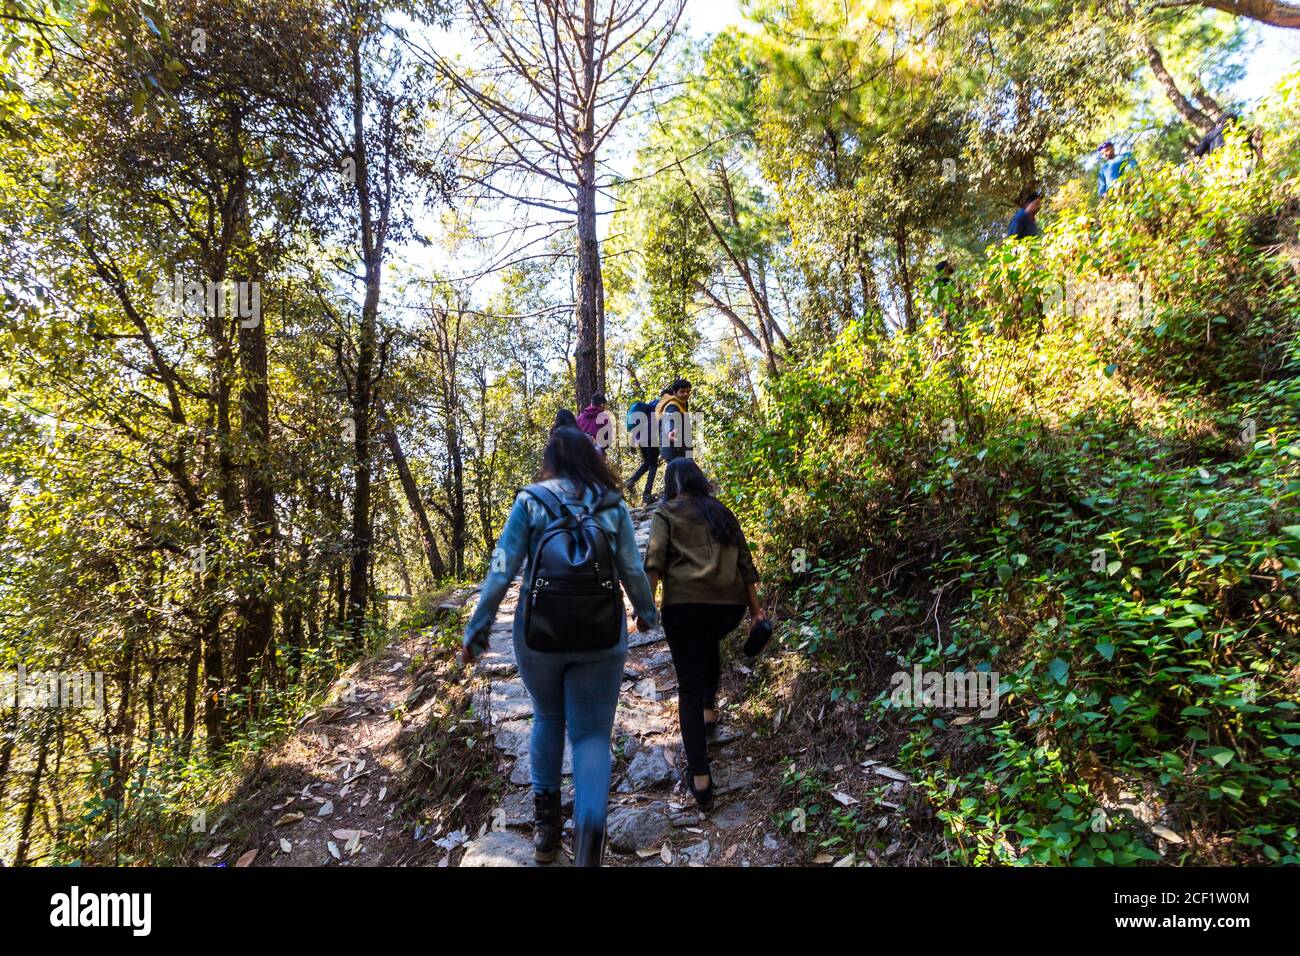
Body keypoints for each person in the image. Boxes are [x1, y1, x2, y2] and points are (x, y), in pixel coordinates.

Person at [462, 427, 658, 865]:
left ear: (550, 460)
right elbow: (631, 567)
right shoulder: (612, 505)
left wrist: (477, 630)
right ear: (591, 459)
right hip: (600, 636)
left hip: (539, 636)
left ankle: (546, 833)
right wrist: (646, 613)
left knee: (547, 716)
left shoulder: (530, 501)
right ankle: (589, 840)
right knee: (590, 735)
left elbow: (501, 567)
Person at [644, 458, 765, 812]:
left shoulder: (666, 512)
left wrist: (645, 605)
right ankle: (710, 711)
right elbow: (745, 562)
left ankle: (700, 776)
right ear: (700, 480)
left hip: (684, 608)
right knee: (708, 642)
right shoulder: (721, 511)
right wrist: (756, 610)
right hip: (728, 607)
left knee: (688, 687)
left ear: (671, 484)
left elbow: (654, 560)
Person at [623, 394, 661, 506]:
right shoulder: (658, 407)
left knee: (647, 464)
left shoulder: (646, 409)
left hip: (640, 439)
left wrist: (633, 442)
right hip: (650, 438)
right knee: (653, 465)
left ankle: (631, 481)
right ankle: (647, 495)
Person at [657, 378, 692, 462]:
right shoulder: (672, 405)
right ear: (674, 393)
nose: (686, 394)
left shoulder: (683, 403)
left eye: (688, 391)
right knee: (678, 472)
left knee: (686, 470)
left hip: (681, 446)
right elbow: (668, 418)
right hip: (673, 448)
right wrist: (670, 430)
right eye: (682, 391)